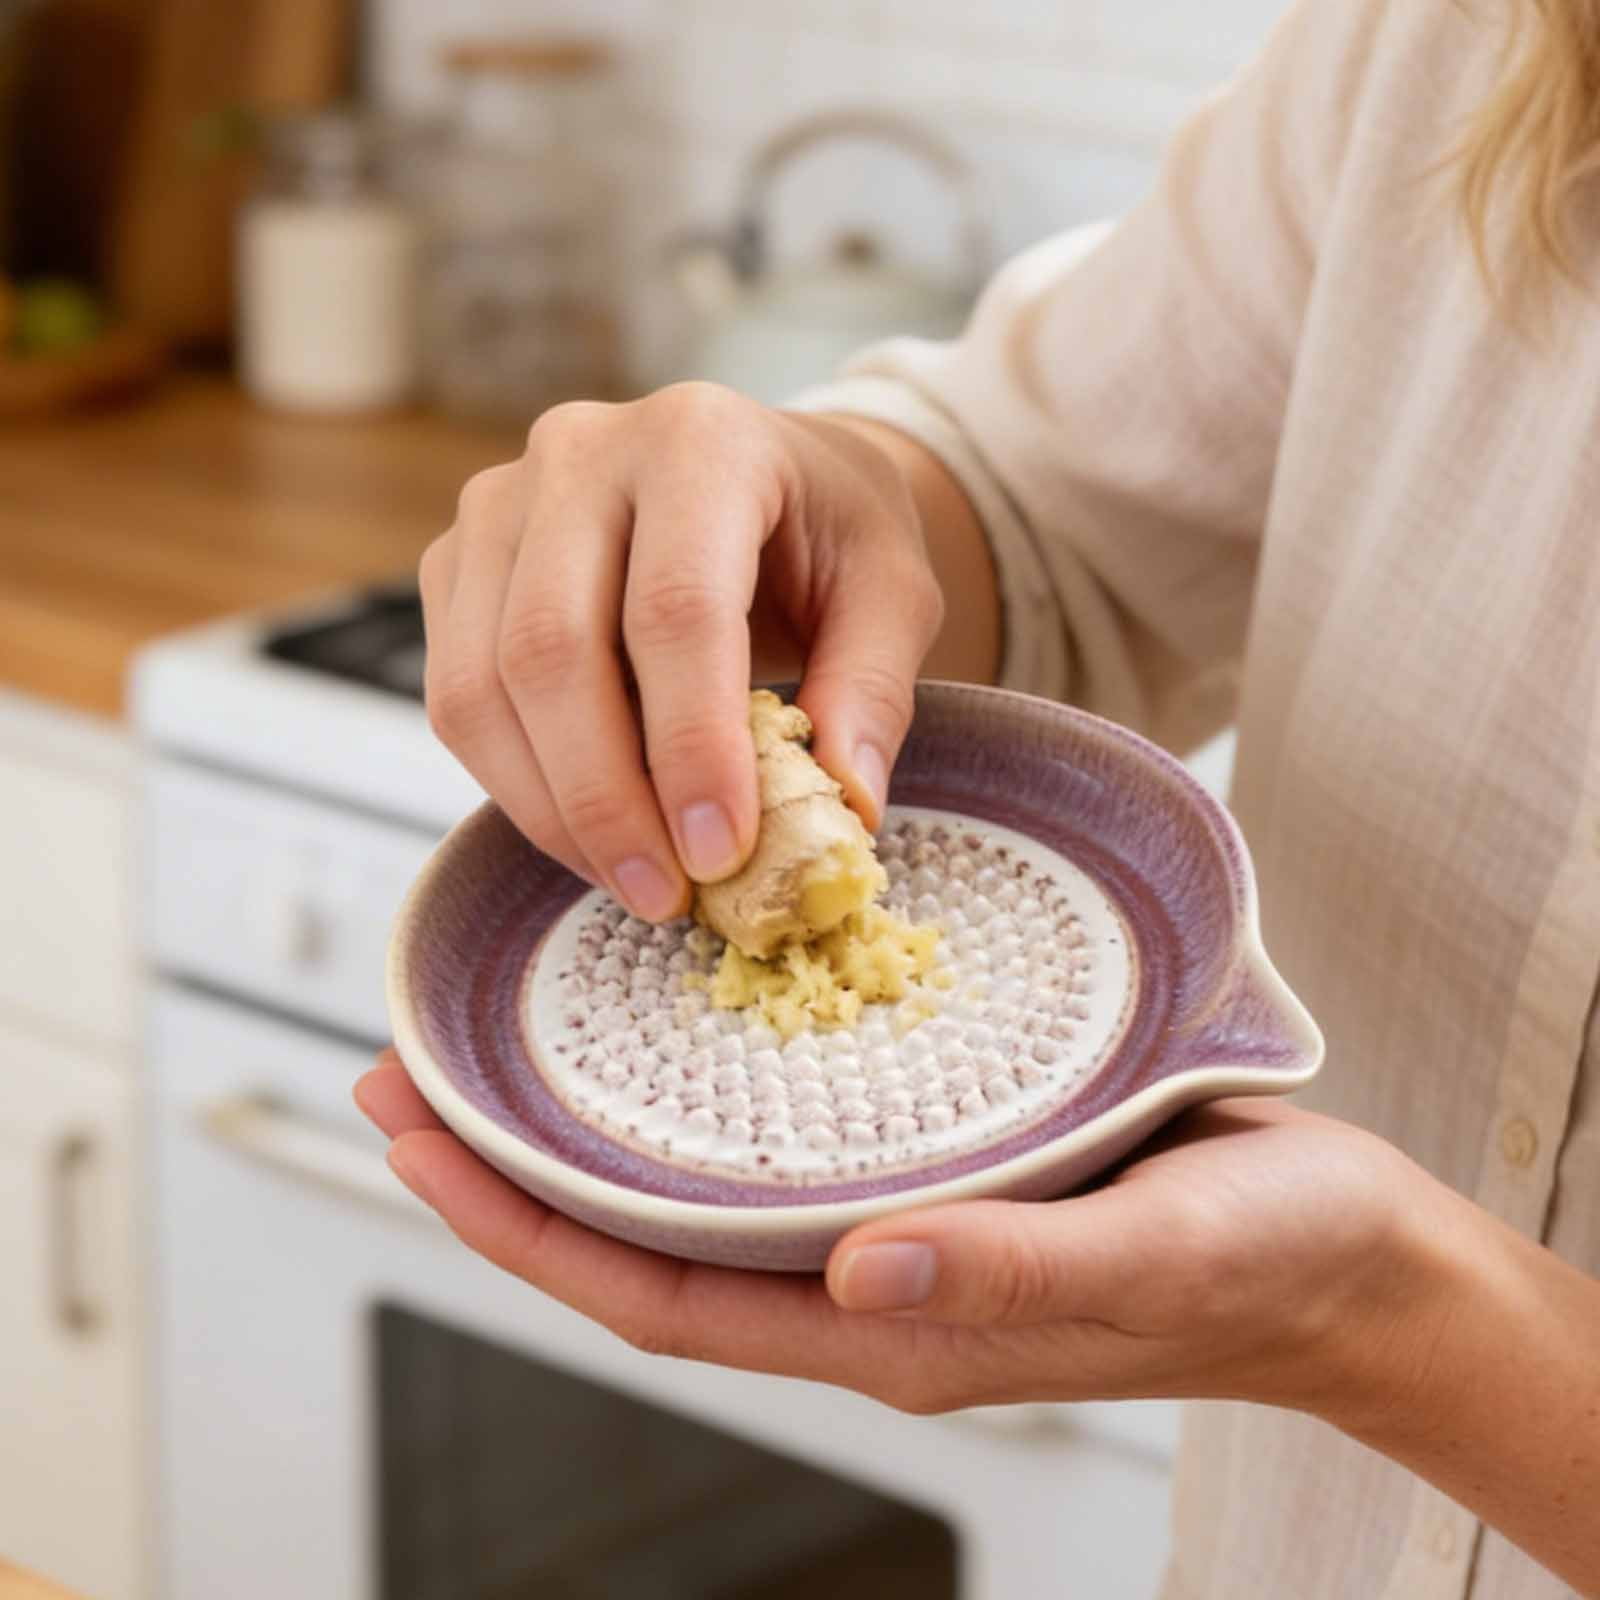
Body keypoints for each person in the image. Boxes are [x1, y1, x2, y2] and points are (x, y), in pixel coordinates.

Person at [355, 0, 1600, 1591]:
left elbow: (1409, 1328)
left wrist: (1407, 1331)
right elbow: (1053, 511)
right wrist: (825, 504)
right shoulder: (1465, 41)